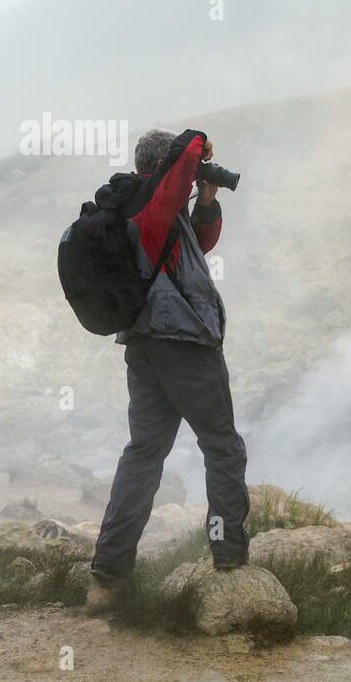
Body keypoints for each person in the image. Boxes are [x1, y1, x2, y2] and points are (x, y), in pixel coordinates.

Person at [87, 128, 248, 613]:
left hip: (146, 346)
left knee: (144, 453)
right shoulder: (148, 204)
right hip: (183, 343)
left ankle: (108, 576)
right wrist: (200, 149)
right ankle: (231, 563)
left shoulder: (146, 210)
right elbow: (187, 151)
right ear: (166, 172)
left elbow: (200, 243)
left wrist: (208, 196)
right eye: (185, 174)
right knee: (223, 448)